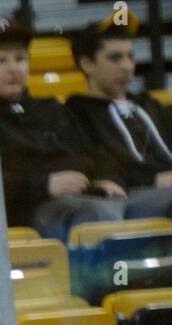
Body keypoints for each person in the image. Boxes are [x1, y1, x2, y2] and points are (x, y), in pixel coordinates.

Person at [0, 18, 124, 240]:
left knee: (147, 207)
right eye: (1, 61)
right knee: (96, 214)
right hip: (20, 214)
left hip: (81, 200)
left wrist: (107, 178)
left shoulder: (51, 109)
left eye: (20, 59)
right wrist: (44, 185)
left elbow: (97, 152)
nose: (14, 69)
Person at [65, 18, 172, 221]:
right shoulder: (76, 114)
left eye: (130, 56)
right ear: (87, 64)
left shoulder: (150, 105)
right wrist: (153, 179)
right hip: (131, 195)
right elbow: (99, 164)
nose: (127, 66)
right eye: (115, 58)